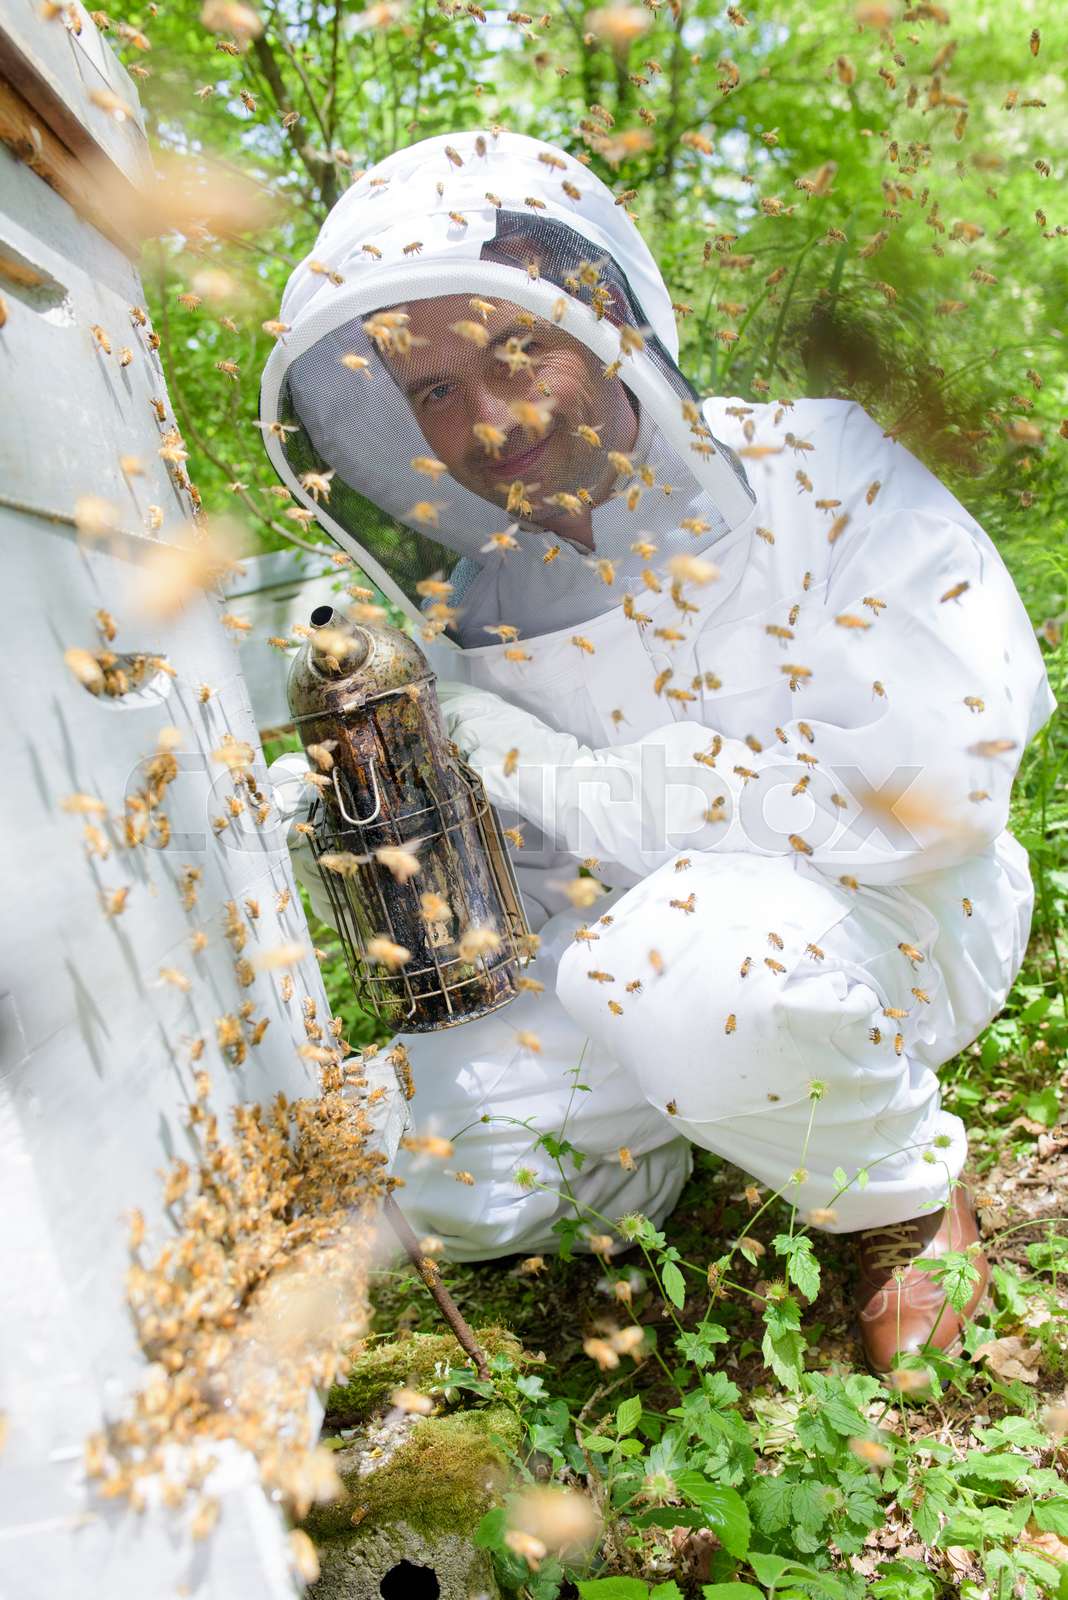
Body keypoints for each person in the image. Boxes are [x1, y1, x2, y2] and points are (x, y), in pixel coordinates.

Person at [258, 129, 1055, 1373]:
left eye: (508, 350)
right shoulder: (478, 600)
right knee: (437, 1175)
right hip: (622, 962)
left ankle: (895, 1192)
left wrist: (555, 774)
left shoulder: (826, 467)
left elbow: (924, 800)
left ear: (600, 308)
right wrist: (358, 810)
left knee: (679, 963)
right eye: (433, 393)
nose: (487, 419)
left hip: (896, 924)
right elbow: (516, 887)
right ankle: (680, 1140)